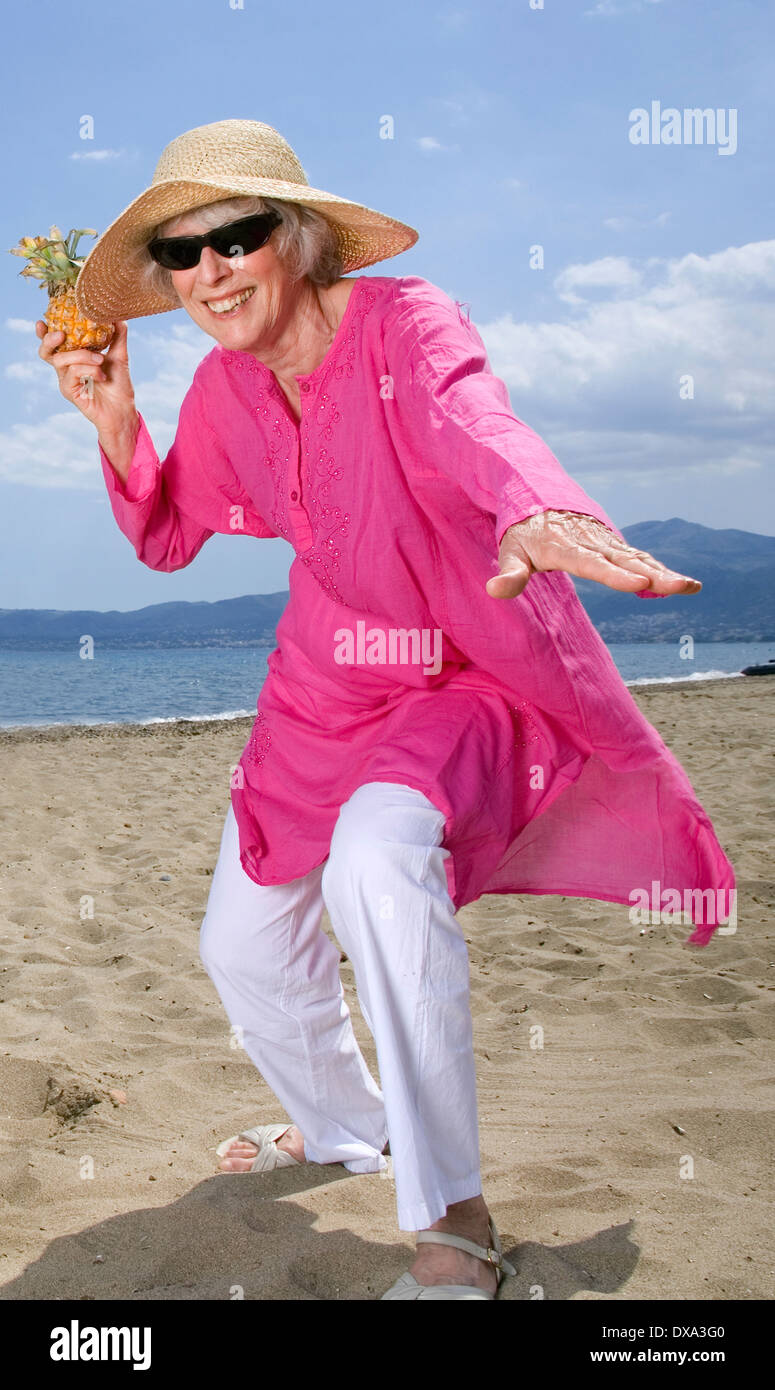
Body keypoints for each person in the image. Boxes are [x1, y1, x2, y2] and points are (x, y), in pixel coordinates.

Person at [38, 119, 735, 1300]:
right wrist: (112, 419)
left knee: (373, 861)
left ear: (298, 240)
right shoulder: (220, 388)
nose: (209, 272)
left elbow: (476, 422)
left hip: (467, 670)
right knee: (242, 947)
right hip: (323, 683)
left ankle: (454, 1218)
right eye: (181, 252)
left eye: (237, 236)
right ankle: (349, 1126)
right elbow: (164, 536)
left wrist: (534, 511)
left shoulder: (410, 326)